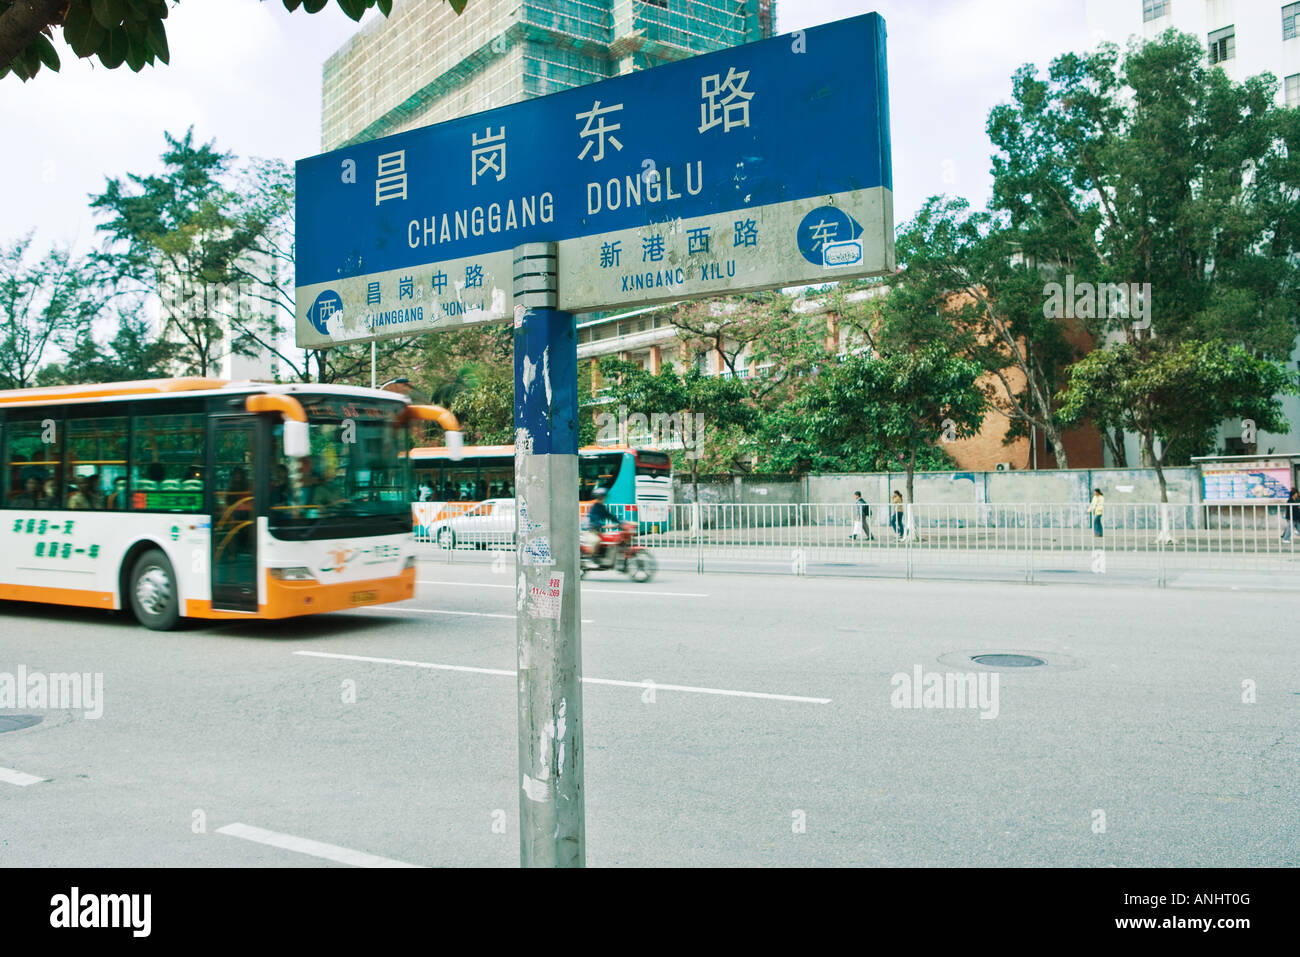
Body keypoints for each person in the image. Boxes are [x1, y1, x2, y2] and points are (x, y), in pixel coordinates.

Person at [583, 487, 617, 564]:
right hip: (590, 531)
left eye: (603, 497)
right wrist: (607, 525)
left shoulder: (602, 507)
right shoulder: (594, 508)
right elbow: (595, 521)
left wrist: (621, 522)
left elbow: (610, 516)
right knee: (596, 540)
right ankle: (591, 558)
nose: (603, 498)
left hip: (596, 531)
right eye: (601, 497)